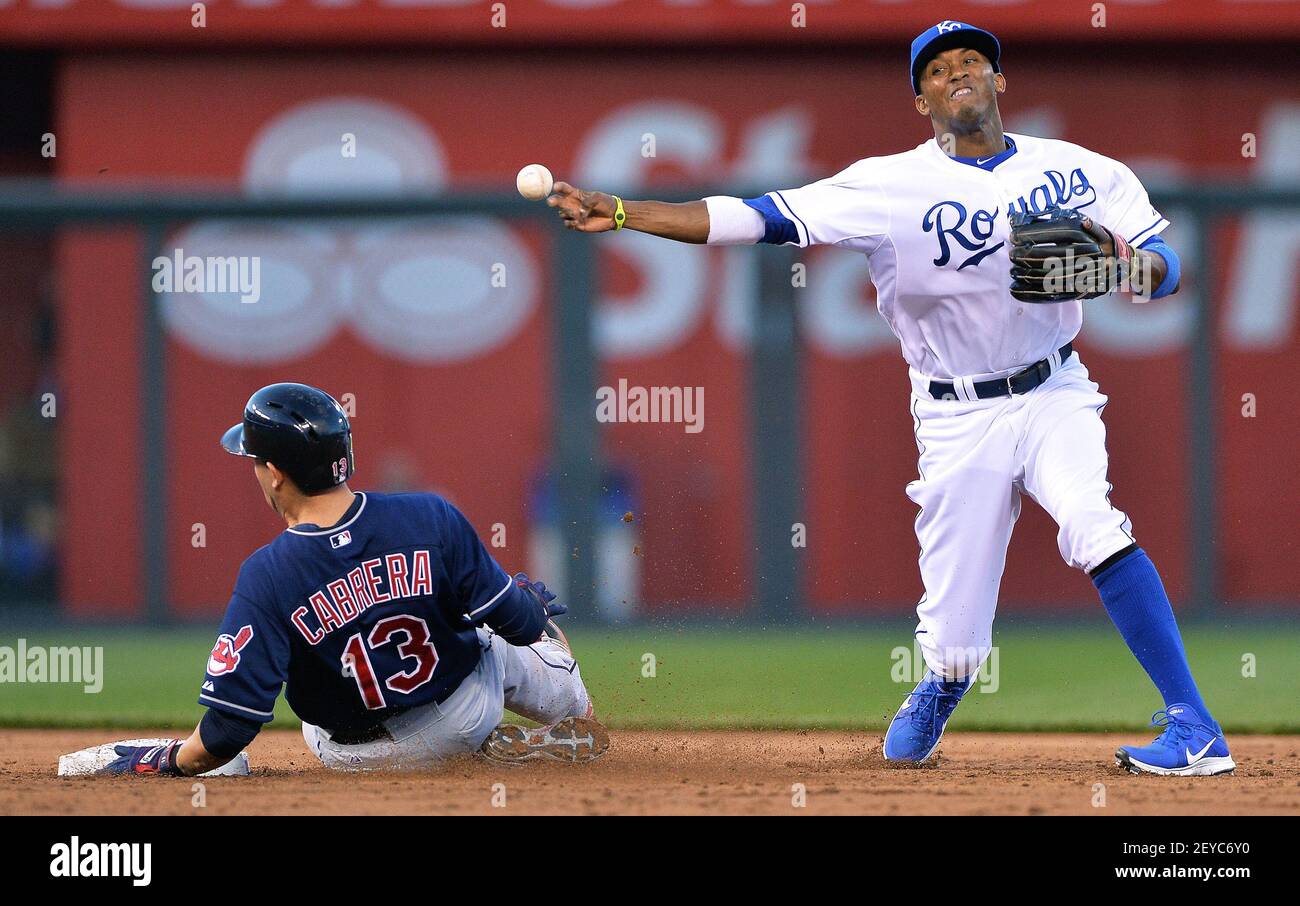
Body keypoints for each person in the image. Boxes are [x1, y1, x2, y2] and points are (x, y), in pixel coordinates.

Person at [544, 20, 1231, 776]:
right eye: (939, 69)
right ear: (921, 100)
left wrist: (1130, 265)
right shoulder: (888, 184)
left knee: (1093, 524)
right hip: (954, 413)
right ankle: (943, 681)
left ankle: (1194, 726)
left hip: (1053, 388)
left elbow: (1166, 268)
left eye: (974, 60)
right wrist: (619, 213)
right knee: (957, 635)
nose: (959, 72)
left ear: (1000, 82)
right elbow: (757, 217)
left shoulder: (1080, 170)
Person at [104, 382, 607, 775]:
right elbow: (517, 623)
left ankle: (463, 755)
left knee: (309, 674)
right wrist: (531, 610)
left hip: (348, 757)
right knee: (501, 637)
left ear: (276, 473)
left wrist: (169, 760)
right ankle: (579, 723)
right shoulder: (429, 516)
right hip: (463, 720)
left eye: (255, 460)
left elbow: (229, 728)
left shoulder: (267, 574)